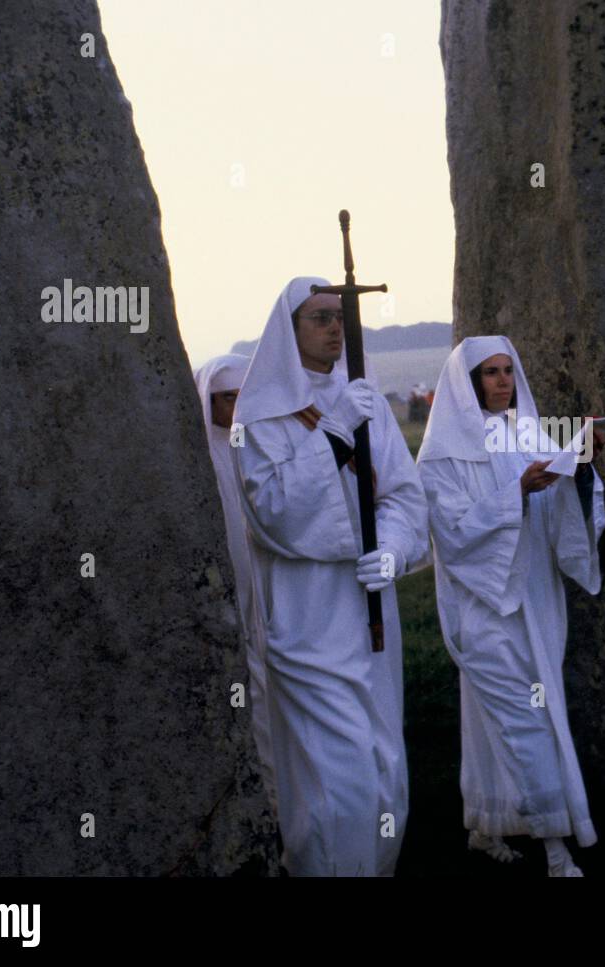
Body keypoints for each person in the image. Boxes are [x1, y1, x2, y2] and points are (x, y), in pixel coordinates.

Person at [232, 276, 429, 876]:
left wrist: (392, 550)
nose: (334, 327)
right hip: (307, 614)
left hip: (369, 609)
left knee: (383, 766)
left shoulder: (359, 397)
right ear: (288, 331)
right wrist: (335, 431)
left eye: (339, 316)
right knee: (335, 777)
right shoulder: (261, 415)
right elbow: (275, 515)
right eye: (319, 317)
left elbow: (402, 495)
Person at [416, 335, 605, 877]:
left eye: (507, 370)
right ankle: (554, 845)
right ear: (467, 382)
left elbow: (555, 517)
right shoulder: (442, 455)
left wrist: (581, 467)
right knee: (526, 720)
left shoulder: (527, 434)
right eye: (490, 373)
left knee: (492, 718)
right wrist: (515, 493)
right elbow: (451, 534)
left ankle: (484, 821)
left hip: (535, 600)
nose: (502, 381)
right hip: (485, 608)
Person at [192, 352, 278, 819]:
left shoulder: (258, 448)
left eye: (245, 396)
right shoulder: (201, 457)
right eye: (228, 398)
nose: (237, 407)